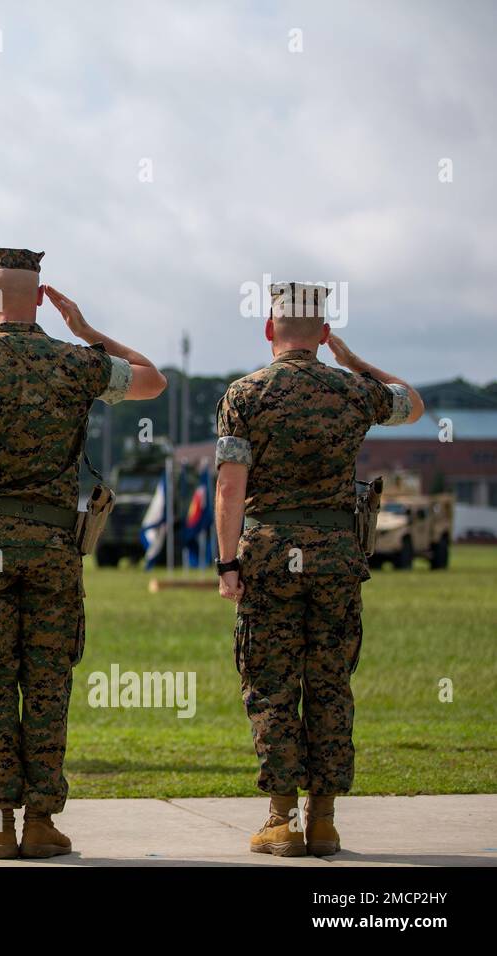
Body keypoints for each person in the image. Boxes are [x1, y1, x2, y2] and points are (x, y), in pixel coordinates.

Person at [0, 248, 165, 859]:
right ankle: (43, 823)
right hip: (54, 546)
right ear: (41, 296)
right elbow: (153, 378)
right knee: (49, 682)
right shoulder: (76, 363)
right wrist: (87, 332)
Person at [214, 282, 422, 856]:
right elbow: (412, 401)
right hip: (334, 554)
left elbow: (230, 487)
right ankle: (325, 819)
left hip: (269, 553)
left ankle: (281, 819)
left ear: (268, 330)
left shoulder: (244, 395)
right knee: (330, 684)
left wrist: (227, 562)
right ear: (324, 336)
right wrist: (353, 362)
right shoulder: (353, 391)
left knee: (272, 686)